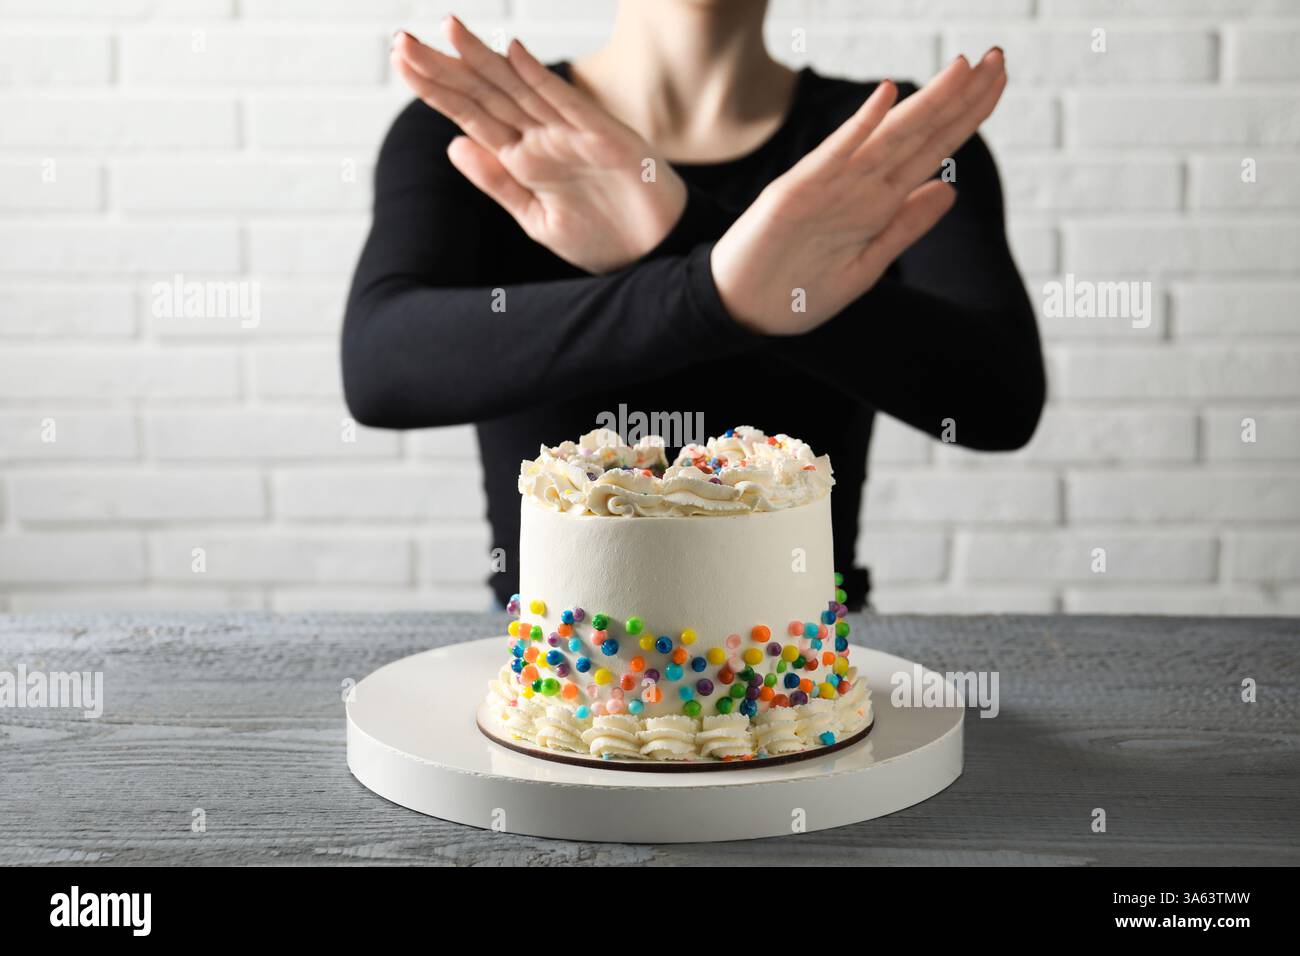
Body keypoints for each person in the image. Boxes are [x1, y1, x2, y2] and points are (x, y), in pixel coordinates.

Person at [343, 1, 1046, 612]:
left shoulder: (889, 144)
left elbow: (997, 398)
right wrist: (711, 292)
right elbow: (382, 363)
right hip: (548, 687)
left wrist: (680, 240)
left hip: (804, 685)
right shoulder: (488, 132)